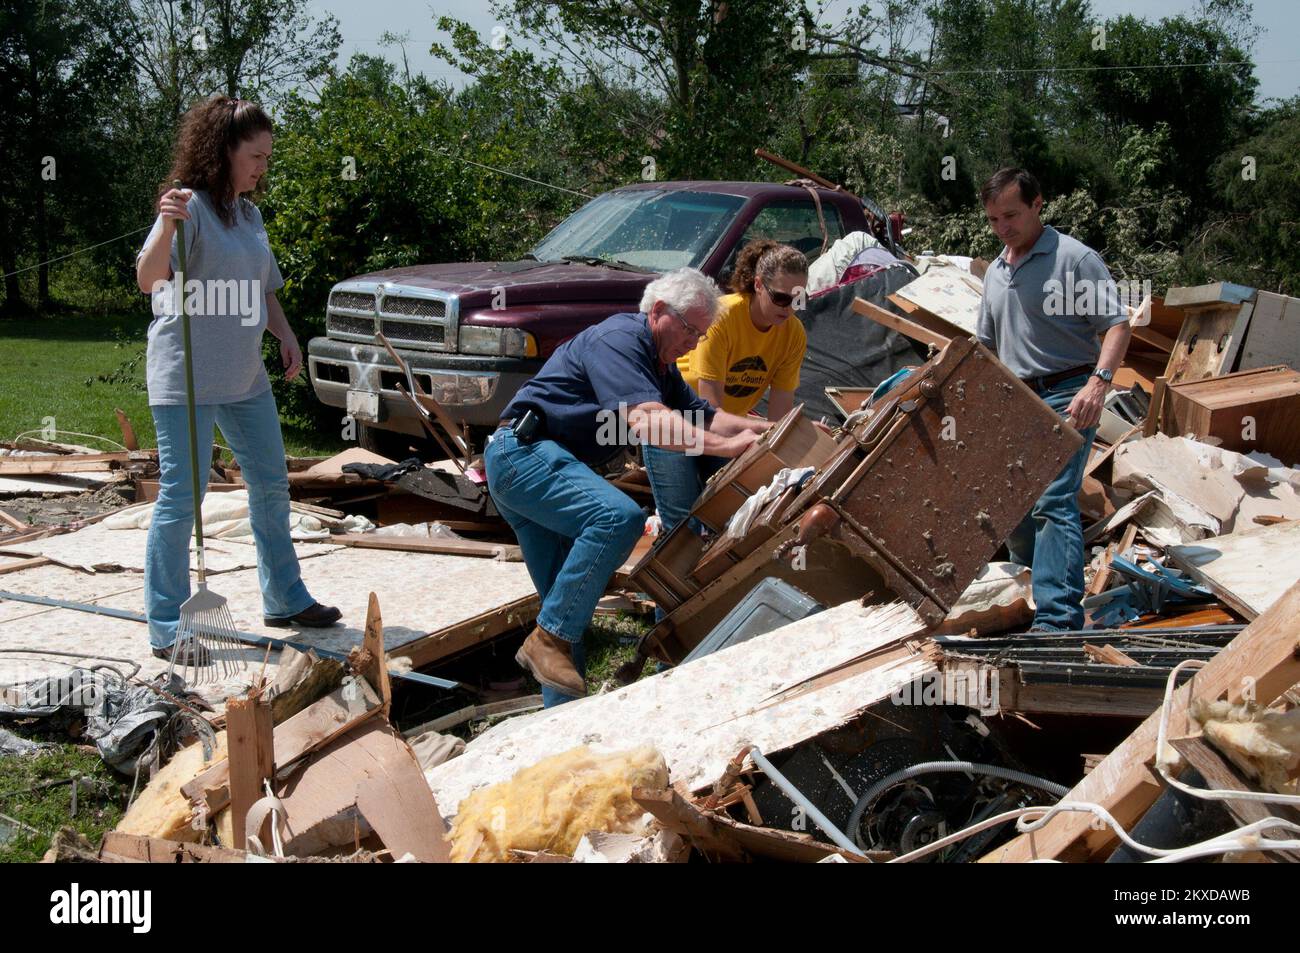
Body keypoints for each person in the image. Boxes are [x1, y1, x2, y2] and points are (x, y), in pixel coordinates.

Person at [484, 268, 774, 706]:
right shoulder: (618, 339)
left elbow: (703, 415)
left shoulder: (659, 364)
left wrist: (773, 429)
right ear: (659, 311)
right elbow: (648, 421)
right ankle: (549, 639)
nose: (695, 343)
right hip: (523, 457)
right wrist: (728, 447)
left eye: (701, 334)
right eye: (691, 330)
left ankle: (561, 732)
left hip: (541, 467)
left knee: (565, 618)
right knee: (618, 517)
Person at [135, 95, 341, 665]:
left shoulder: (248, 216)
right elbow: (150, 280)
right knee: (183, 497)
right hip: (188, 377)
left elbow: (263, 287)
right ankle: (166, 625)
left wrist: (286, 334)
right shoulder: (189, 208)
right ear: (223, 151)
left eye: (268, 157)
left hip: (245, 375)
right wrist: (165, 225)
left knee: (272, 481)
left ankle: (284, 596)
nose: (262, 167)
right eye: (255, 156)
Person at [976, 167, 1133, 631]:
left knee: (1052, 498)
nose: (1003, 227)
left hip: (1069, 391)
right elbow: (985, 347)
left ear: (1037, 205)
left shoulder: (1074, 259)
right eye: (993, 219)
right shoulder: (996, 271)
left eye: (1011, 215)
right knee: (1015, 505)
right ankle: (1026, 594)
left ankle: (1059, 619)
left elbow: (1117, 325)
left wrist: (1098, 383)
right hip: (1017, 398)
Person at [644, 239, 810, 537]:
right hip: (678, 422)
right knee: (683, 530)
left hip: (725, 426)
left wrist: (799, 439)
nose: (790, 309)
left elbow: (779, 422)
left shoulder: (794, 334)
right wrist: (752, 435)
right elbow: (709, 409)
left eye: (799, 299)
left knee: (744, 518)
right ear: (758, 285)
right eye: (782, 298)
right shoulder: (721, 318)